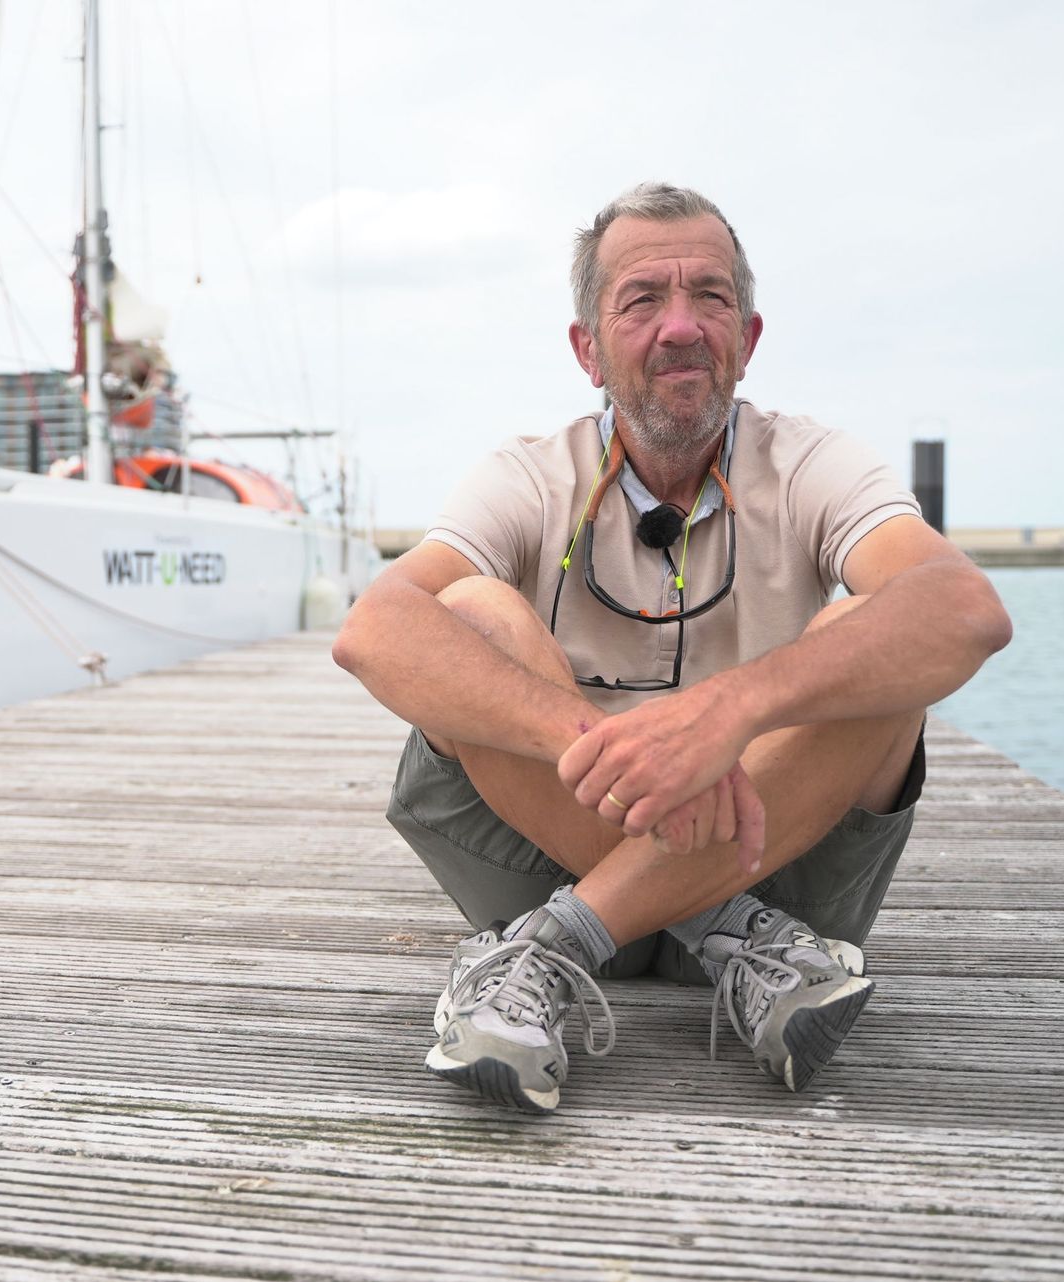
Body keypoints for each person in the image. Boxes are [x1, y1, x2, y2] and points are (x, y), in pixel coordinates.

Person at [332, 182, 1012, 1113]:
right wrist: (620, 750)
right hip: (563, 853)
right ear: (588, 347)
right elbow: (376, 628)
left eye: (712, 297)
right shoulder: (528, 475)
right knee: (474, 612)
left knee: (877, 624)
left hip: (779, 856)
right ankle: (727, 932)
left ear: (749, 337)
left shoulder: (813, 463)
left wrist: (726, 713)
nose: (682, 325)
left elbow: (963, 609)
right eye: (643, 299)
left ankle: (554, 947)